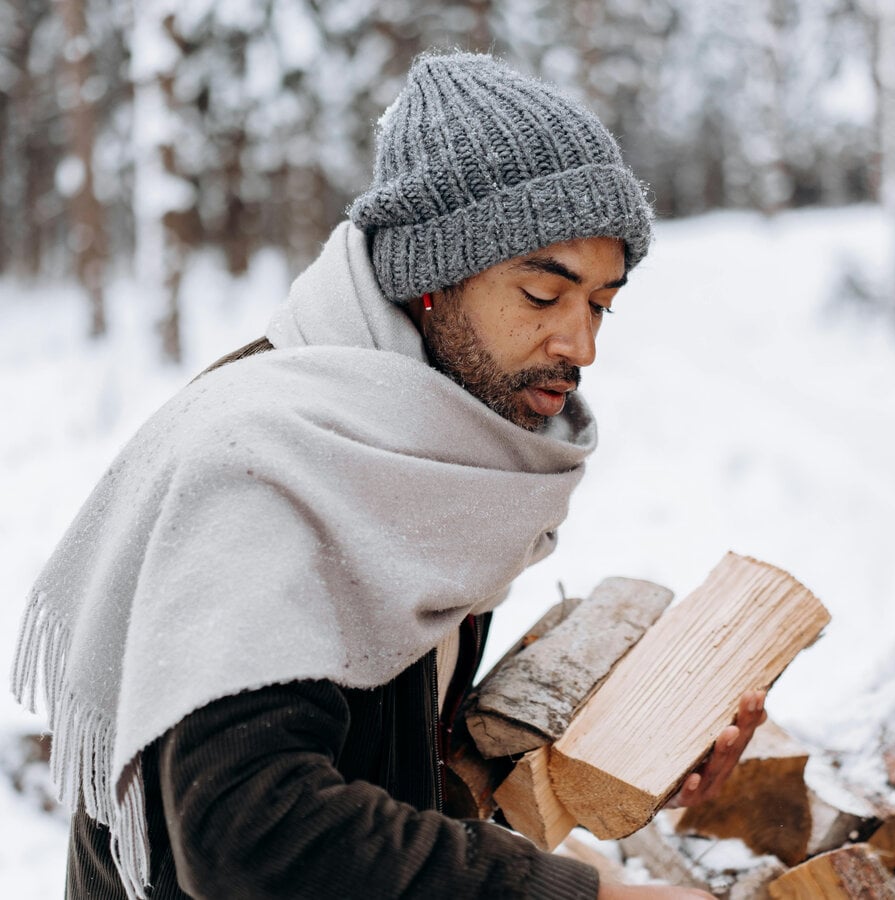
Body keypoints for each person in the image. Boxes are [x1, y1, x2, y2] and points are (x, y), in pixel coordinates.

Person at [11, 52, 765, 900]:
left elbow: (382, 765)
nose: (581, 346)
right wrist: (584, 896)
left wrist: (620, 754)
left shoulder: (435, 448)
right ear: (431, 279)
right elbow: (248, 837)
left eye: (601, 304)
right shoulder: (269, 461)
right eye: (542, 295)